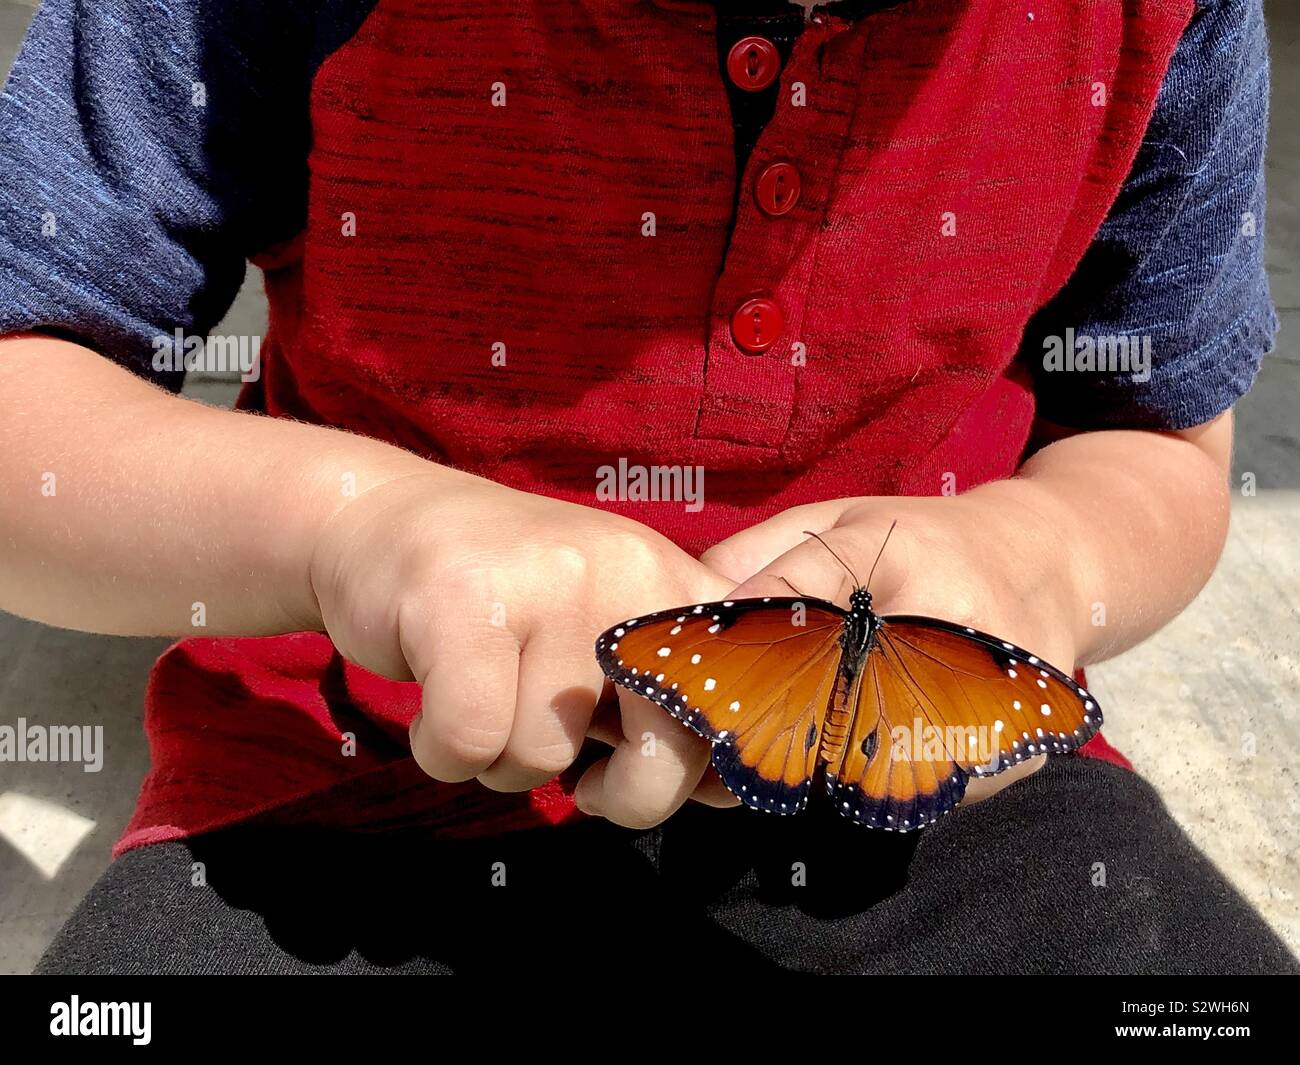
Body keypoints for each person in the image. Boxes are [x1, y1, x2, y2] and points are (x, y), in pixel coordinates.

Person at [1, 0, 1294, 974]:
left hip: (924, 785)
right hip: (344, 779)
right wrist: (360, 531)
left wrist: (1038, 557)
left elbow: (1158, 436)